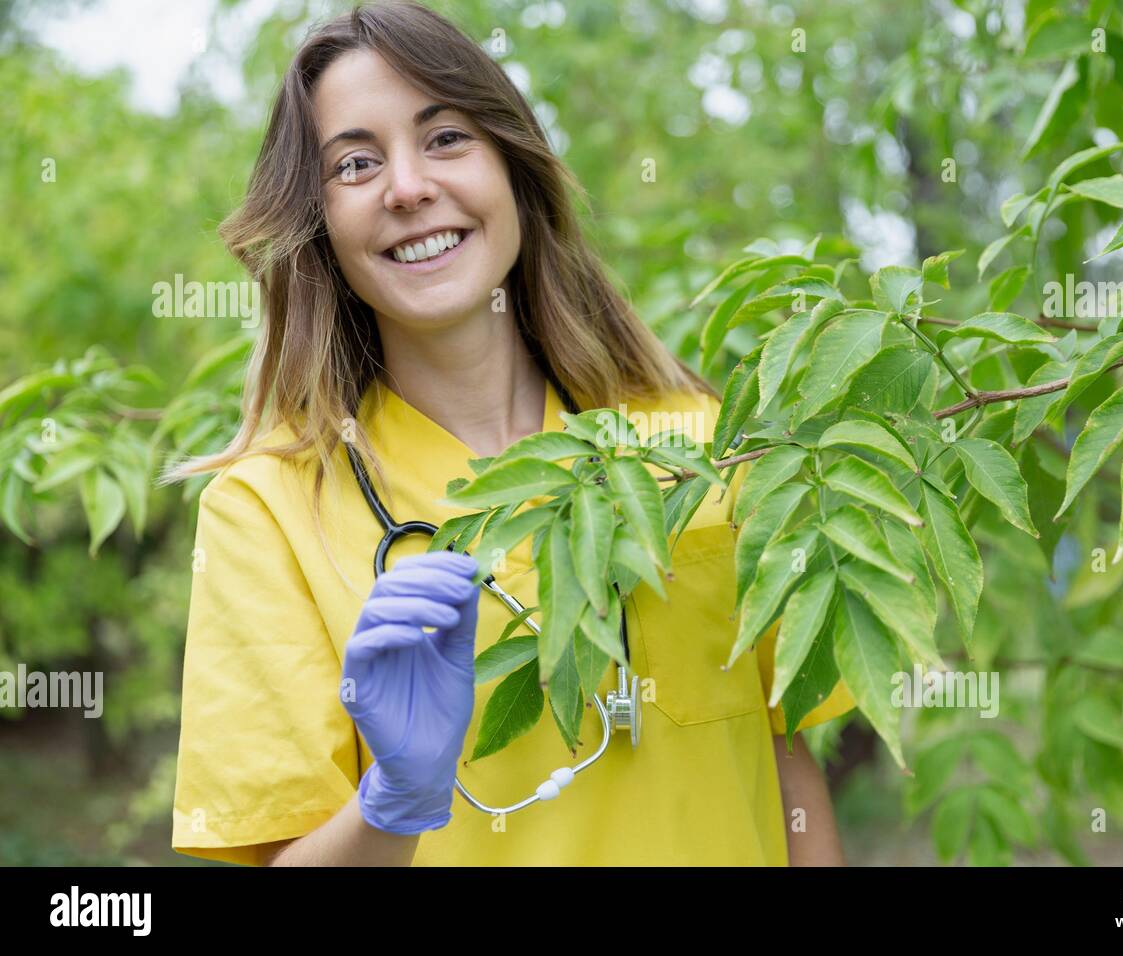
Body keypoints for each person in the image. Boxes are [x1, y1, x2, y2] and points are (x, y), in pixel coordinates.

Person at [166, 0, 855, 867]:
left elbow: (787, 760)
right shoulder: (264, 512)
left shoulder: (705, 443)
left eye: (446, 137)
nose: (408, 187)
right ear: (319, 226)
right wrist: (397, 799)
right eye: (356, 163)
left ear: (514, 168)